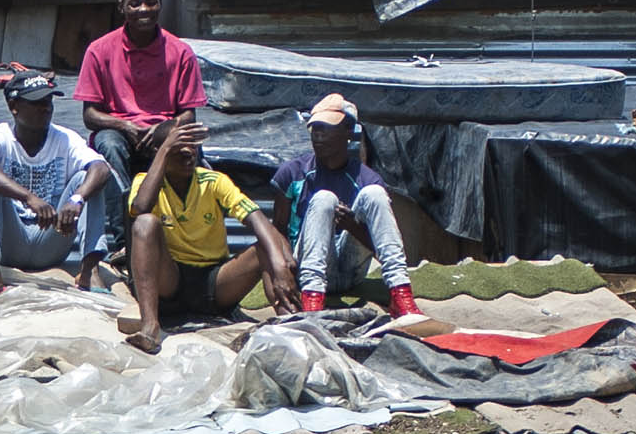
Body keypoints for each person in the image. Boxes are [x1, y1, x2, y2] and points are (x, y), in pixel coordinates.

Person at [72, 0, 204, 276]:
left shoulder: (180, 52)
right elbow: (90, 115)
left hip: (163, 132)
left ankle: (192, 244)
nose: (143, 9)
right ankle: (123, 243)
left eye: (150, 2)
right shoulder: (99, 50)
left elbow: (189, 114)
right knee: (106, 143)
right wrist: (126, 126)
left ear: (160, 4)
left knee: (189, 144)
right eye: (135, 3)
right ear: (122, 8)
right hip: (120, 134)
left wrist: (163, 131)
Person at [125, 115, 288, 351]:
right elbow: (139, 208)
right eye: (179, 149)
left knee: (270, 243)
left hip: (214, 281)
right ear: (161, 153)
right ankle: (150, 326)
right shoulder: (145, 182)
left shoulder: (213, 181)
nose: (189, 154)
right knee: (145, 223)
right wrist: (166, 148)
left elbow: (256, 219)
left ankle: (288, 322)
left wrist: (280, 266)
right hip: (171, 281)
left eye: (193, 147)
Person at [270, 91, 418, 316]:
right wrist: (285, 263)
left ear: (348, 131)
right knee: (324, 198)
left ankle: (401, 293)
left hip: (350, 271)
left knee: (375, 194)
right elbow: (277, 228)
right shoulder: (292, 173)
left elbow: (379, 248)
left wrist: (351, 225)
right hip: (308, 267)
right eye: (315, 129)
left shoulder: (366, 178)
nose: (319, 136)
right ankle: (312, 299)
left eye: (327, 129)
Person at [0, 74, 111, 282]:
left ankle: (90, 269)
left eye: (48, 102)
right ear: (13, 106)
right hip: (11, 242)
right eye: (37, 103)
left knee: (87, 179)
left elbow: (101, 169)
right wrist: (28, 197)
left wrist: (77, 199)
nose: (46, 108)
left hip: (52, 241)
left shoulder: (66, 138)